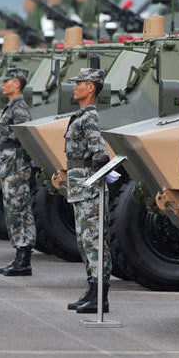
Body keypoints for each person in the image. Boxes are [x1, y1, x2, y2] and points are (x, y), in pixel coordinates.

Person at [63, 67, 116, 311]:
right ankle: (91, 290)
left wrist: (95, 176)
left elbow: (100, 154)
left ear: (91, 88)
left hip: (89, 188)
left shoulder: (89, 117)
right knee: (85, 241)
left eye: (80, 83)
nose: (75, 86)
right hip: (80, 187)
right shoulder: (82, 115)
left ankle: (100, 297)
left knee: (94, 241)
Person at [0, 66, 35, 275]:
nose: (3, 84)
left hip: (16, 166)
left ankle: (24, 257)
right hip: (10, 165)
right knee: (13, 209)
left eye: (7, 80)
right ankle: (19, 254)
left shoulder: (19, 109)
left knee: (19, 208)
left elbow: (26, 138)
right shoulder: (12, 106)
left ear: (17, 84)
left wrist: (21, 164)